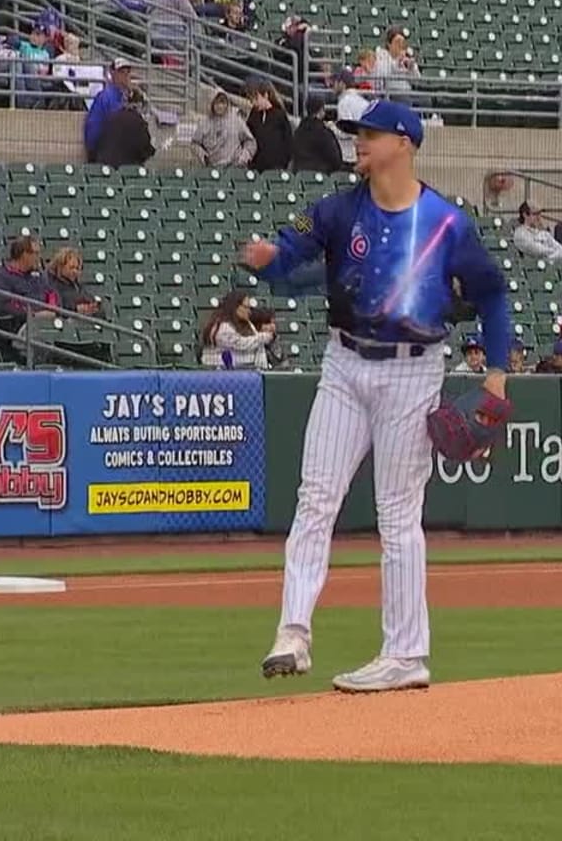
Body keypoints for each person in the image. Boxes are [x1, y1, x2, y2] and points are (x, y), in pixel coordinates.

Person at [242, 100, 511, 693]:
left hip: (414, 371)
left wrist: (496, 371)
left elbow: (492, 294)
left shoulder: (445, 223)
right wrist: (267, 261)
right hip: (344, 365)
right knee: (316, 498)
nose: (359, 142)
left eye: (370, 133)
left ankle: (406, 654)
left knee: (397, 517)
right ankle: (293, 632)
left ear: (405, 142)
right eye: (357, 133)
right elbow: (291, 256)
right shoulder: (340, 210)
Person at [200, 288, 273, 369]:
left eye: (250, 308)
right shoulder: (222, 327)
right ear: (235, 307)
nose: (249, 311)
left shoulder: (248, 324)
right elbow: (240, 344)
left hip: (244, 368)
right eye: (246, 307)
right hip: (217, 371)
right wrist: (262, 337)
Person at [192, 89, 256, 168]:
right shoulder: (204, 123)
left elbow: (250, 142)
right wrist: (203, 156)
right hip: (213, 168)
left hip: (235, 167)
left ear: (227, 104)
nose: (220, 106)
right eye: (217, 103)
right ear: (212, 104)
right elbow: (195, 143)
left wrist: (243, 158)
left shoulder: (236, 121)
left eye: (223, 102)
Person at [84, 59, 132, 163]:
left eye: (127, 73)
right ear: (112, 73)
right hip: (101, 150)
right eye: (121, 72)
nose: (125, 76)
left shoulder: (122, 96)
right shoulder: (107, 95)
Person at [94, 88, 156, 168]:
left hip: (103, 167)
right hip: (125, 169)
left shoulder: (112, 117)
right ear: (139, 105)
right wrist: (152, 149)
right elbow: (144, 150)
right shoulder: (139, 123)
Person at [245, 80, 293, 173]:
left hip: (276, 169)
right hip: (257, 169)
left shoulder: (280, 115)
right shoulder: (253, 116)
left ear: (265, 95)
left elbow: (288, 142)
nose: (254, 103)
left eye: (256, 98)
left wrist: (283, 164)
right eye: (251, 100)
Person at [291, 94, 344, 173]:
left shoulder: (298, 131)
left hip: (301, 176)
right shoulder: (324, 133)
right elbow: (335, 159)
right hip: (321, 176)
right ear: (321, 110)